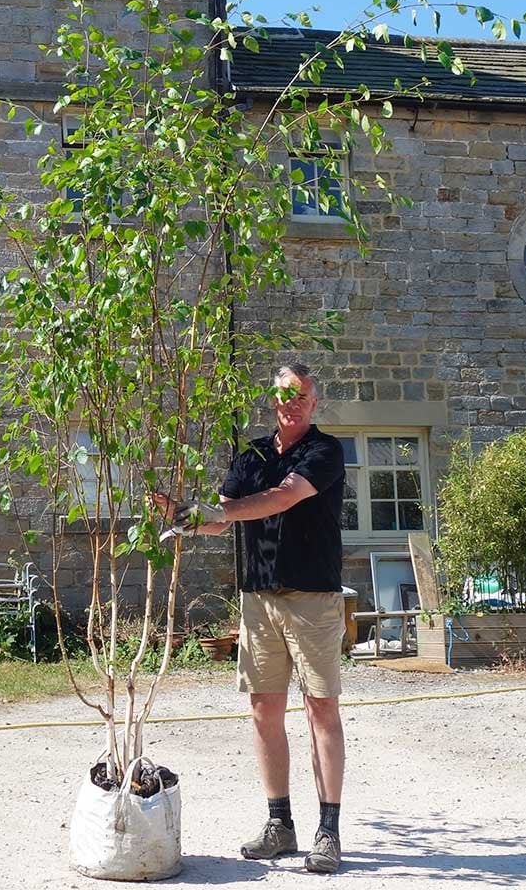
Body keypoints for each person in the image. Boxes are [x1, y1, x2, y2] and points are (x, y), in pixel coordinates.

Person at [155, 362, 347, 873]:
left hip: (312, 597)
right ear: (273, 399)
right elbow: (222, 521)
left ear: (314, 401)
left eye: (301, 396)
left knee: (319, 710)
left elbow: (281, 499)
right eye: (284, 395)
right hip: (258, 598)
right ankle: (279, 824)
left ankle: (328, 831)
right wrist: (186, 516)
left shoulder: (326, 451)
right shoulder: (251, 454)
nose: (292, 403)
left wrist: (216, 514)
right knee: (264, 709)